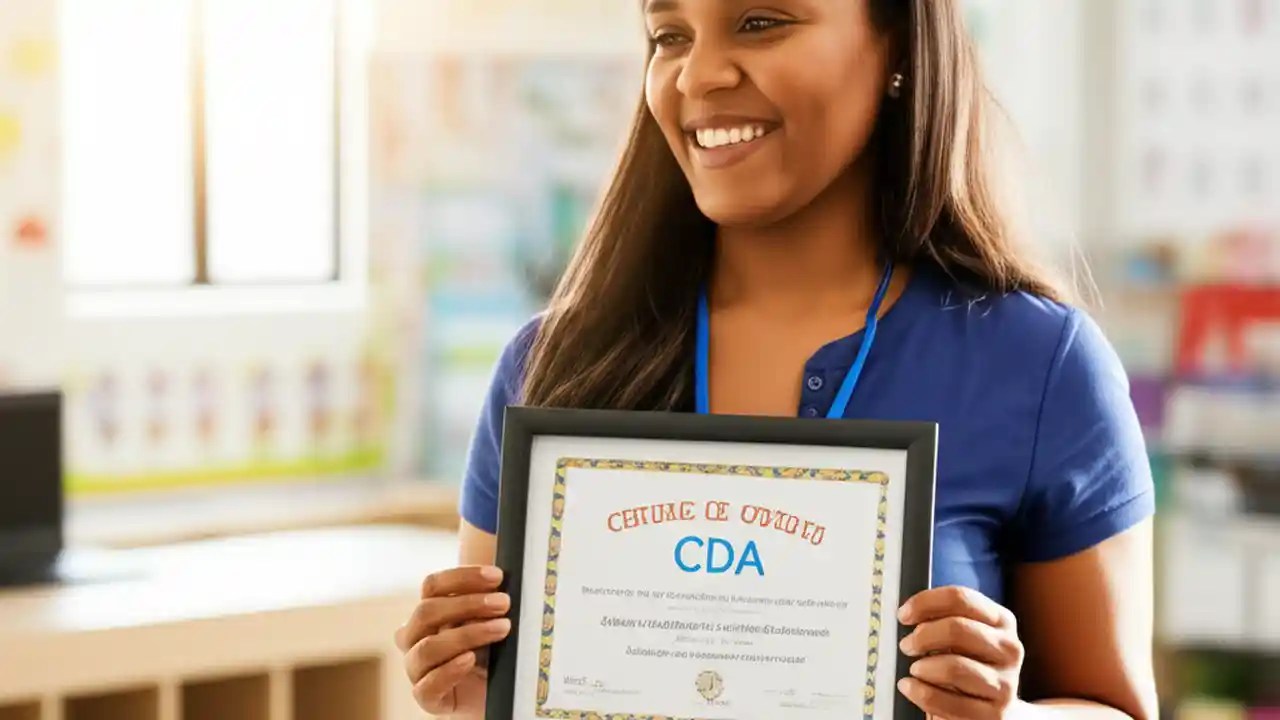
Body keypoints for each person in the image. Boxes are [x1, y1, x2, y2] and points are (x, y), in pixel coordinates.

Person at [394, 1, 1160, 718]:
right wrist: (471, 690)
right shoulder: (549, 363)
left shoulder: (1041, 364)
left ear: (897, 41)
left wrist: (1010, 716)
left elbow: (1119, 708)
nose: (698, 75)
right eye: (670, 36)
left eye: (759, 22)